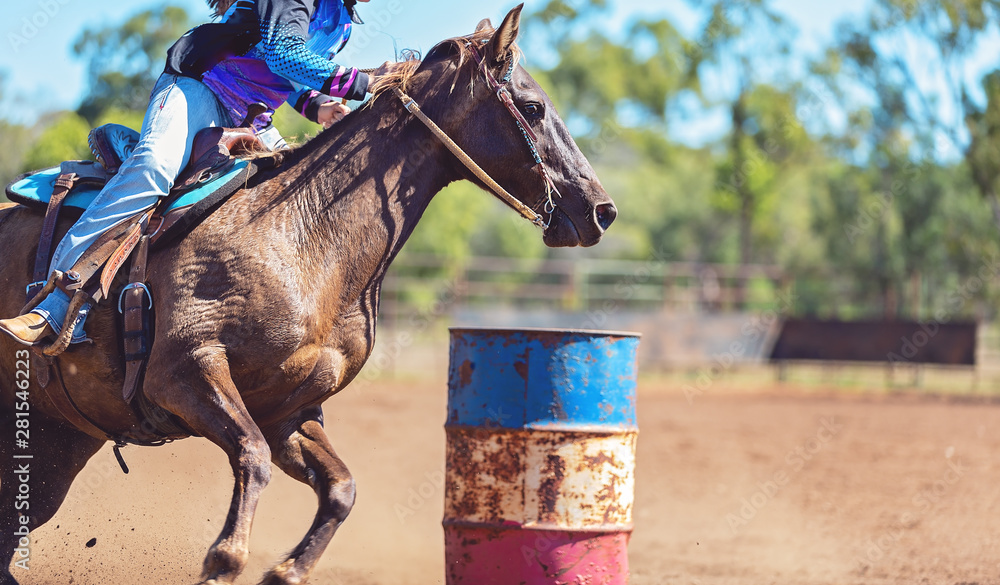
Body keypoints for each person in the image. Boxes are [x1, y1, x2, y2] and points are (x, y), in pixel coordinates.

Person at [0, 0, 383, 346]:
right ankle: (54, 299)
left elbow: (286, 72)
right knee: (154, 169)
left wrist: (318, 108)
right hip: (199, 87)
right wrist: (365, 82)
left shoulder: (342, 20)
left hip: (250, 118)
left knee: (292, 199)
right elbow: (283, 54)